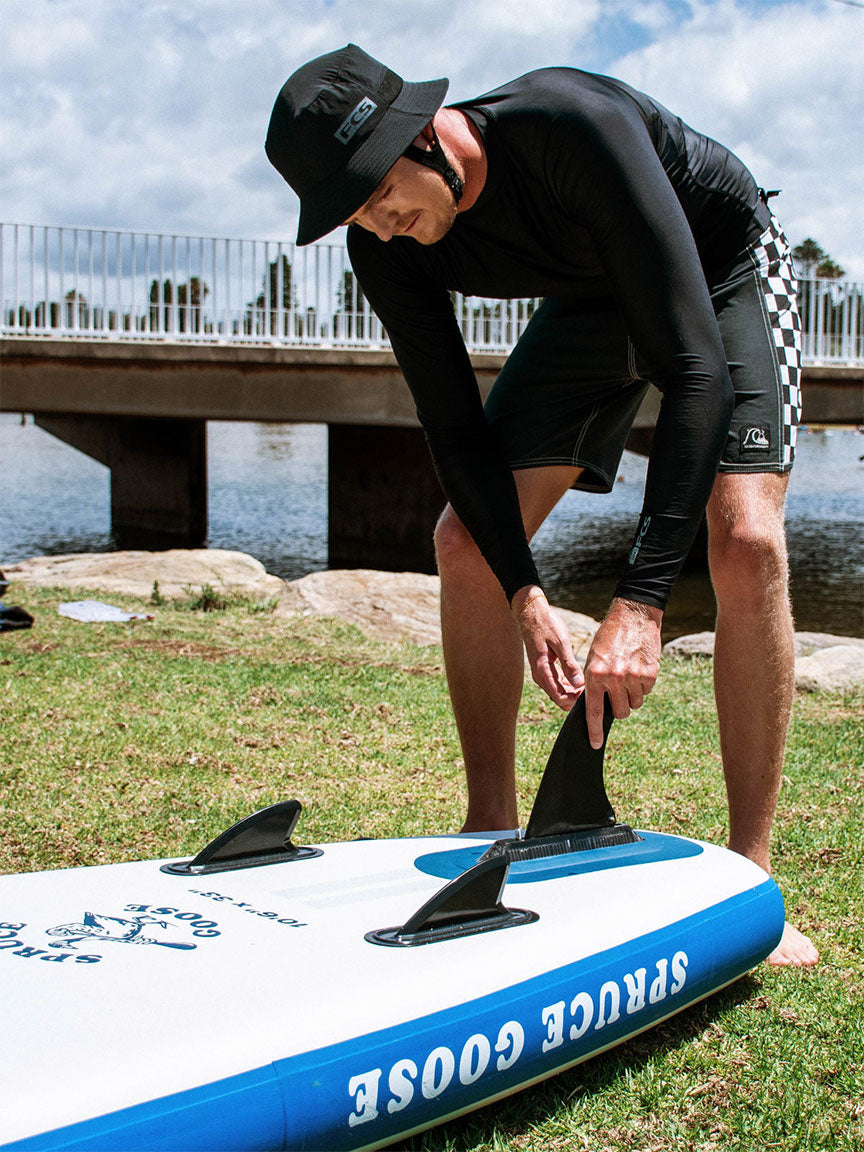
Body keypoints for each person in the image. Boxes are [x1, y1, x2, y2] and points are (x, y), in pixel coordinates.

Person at [265, 44, 818, 966]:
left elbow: (694, 374)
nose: (379, 224)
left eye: (376, 193)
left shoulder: (570, 127)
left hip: (720, 268)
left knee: (747, 538)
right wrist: (527, 595)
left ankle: (750, 875)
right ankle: (490, 827)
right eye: (354, 212)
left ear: (424, 139)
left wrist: (639, 605)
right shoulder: (386, 242)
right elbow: (454, 431)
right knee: (467, 545)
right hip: (593, 299)